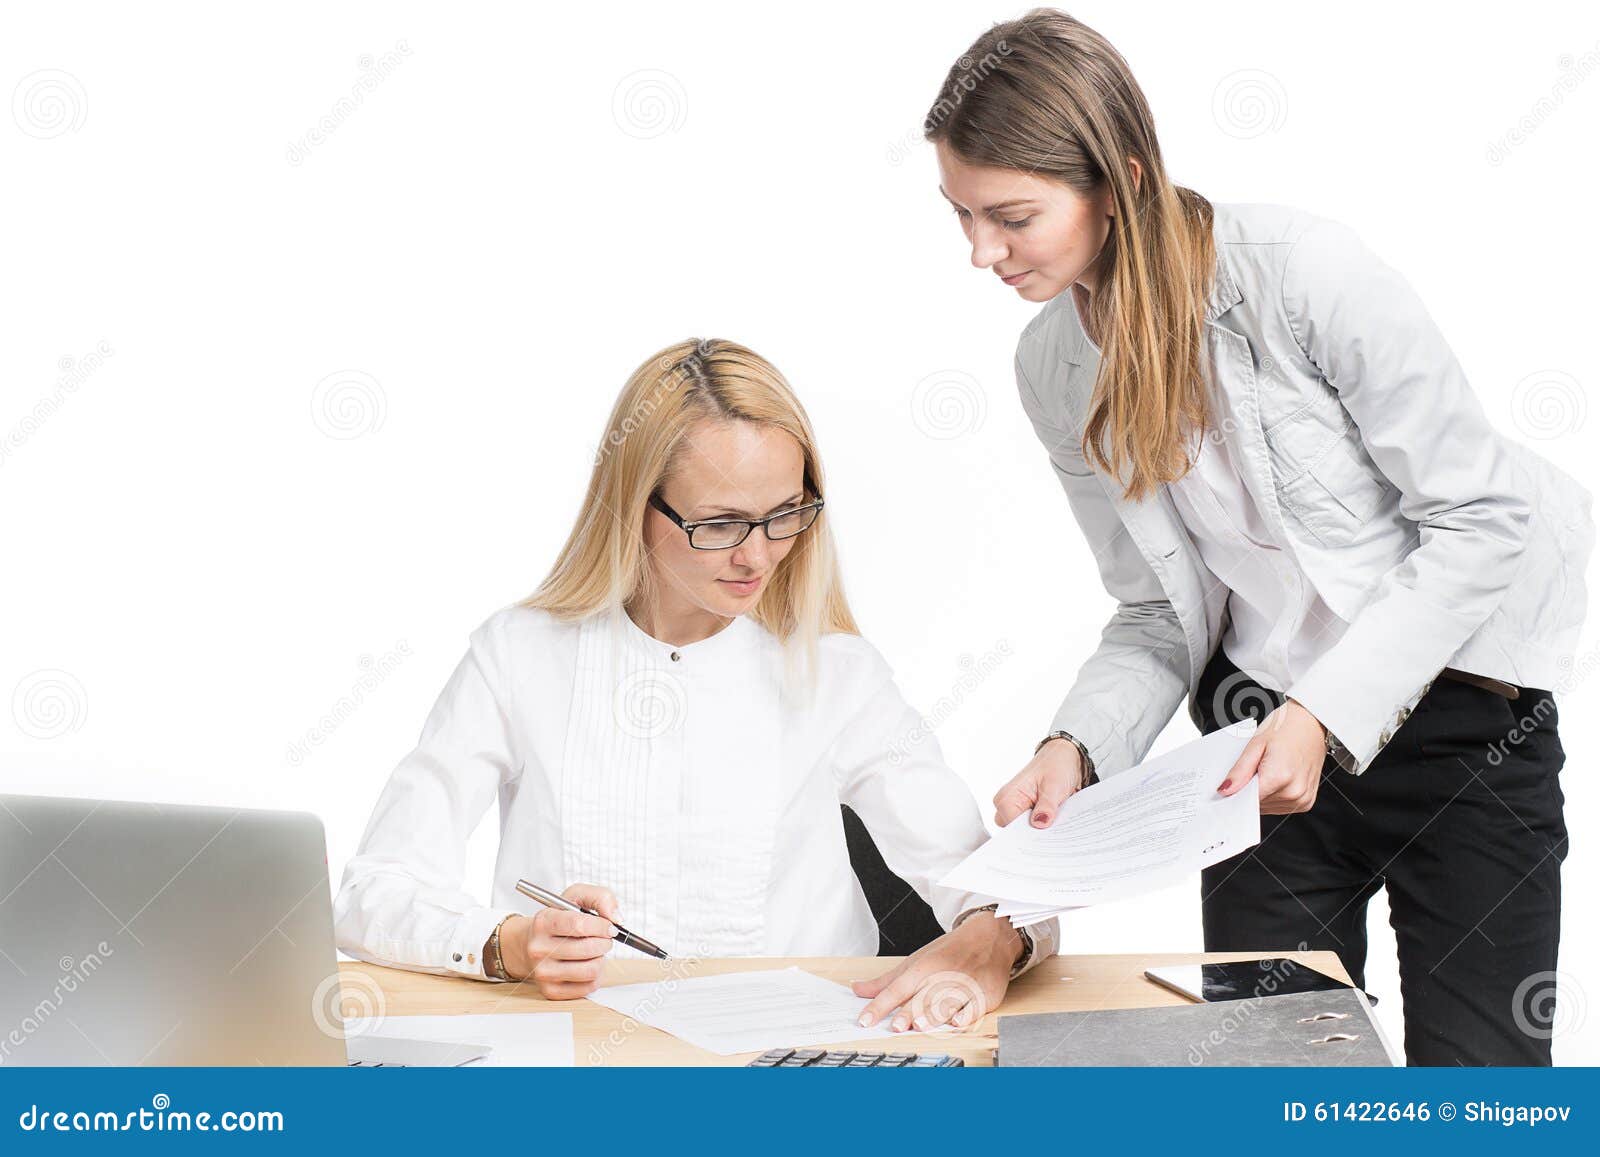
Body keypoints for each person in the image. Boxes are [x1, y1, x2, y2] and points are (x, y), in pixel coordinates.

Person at [926, 8, 1592, 1064]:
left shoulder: (1306, 271)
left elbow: (1480, 517)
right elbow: (1156, 612)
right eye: (960, 214)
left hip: (1467, 720)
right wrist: (1077, 747)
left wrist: (1327, 712)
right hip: (1256, 753)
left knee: (1486, 1107)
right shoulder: (1051, 364)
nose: (979, 251)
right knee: (1268, 1095)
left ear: (1124, 178)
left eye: (1010, 215)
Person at [333, 338, 1054, 1032]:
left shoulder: (838, 673)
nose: (758, 554)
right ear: (634, 506)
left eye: (784, 515)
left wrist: (990, 937)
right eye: (720, 523)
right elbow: (373, 891)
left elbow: (999, 886)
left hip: (783, 1066)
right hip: (578, 1062)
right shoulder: (519, 655)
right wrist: (510, 943)